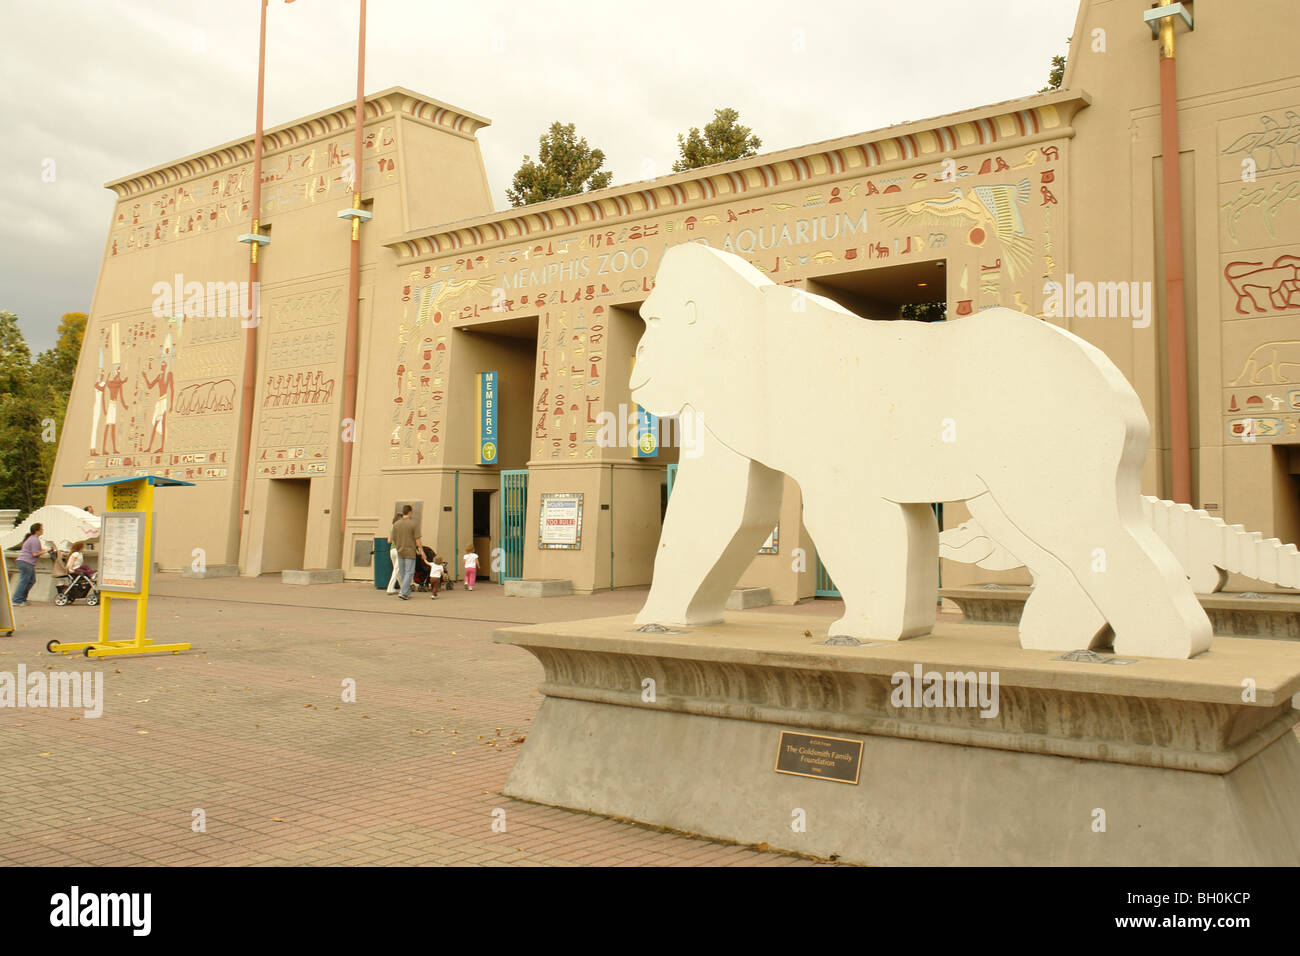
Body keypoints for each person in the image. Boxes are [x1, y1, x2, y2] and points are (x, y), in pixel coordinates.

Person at [12, 523, 51, 607]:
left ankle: (22, 599)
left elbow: (36, 550)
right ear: (37, 531)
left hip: (25, 562)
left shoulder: (32, 539)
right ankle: (17, 600)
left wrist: (44, 550)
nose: (43, 530)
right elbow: (35, 553)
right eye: (42, 529)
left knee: (30, 581)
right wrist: (46, 551)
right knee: (25, 581)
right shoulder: (34, 540)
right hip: (26, 562)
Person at [389, 505, 423, 601]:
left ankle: (407, 592)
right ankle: (403, 592)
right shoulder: (414, 524)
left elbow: (393, 539)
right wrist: (421, 551)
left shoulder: (396, 524)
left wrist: (399, 546)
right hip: (410, 551)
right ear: (410, 512)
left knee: (403, 572)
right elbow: (417, 539)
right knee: (409, 572)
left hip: (400, 550)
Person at [385, 512, 402, 595]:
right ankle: (390, 588)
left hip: (392, 550)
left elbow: (389, 541)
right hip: (399, 550)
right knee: (396, 569)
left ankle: (403, 586)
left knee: (397, 569)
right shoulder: (401, 528)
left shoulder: (392, 528)